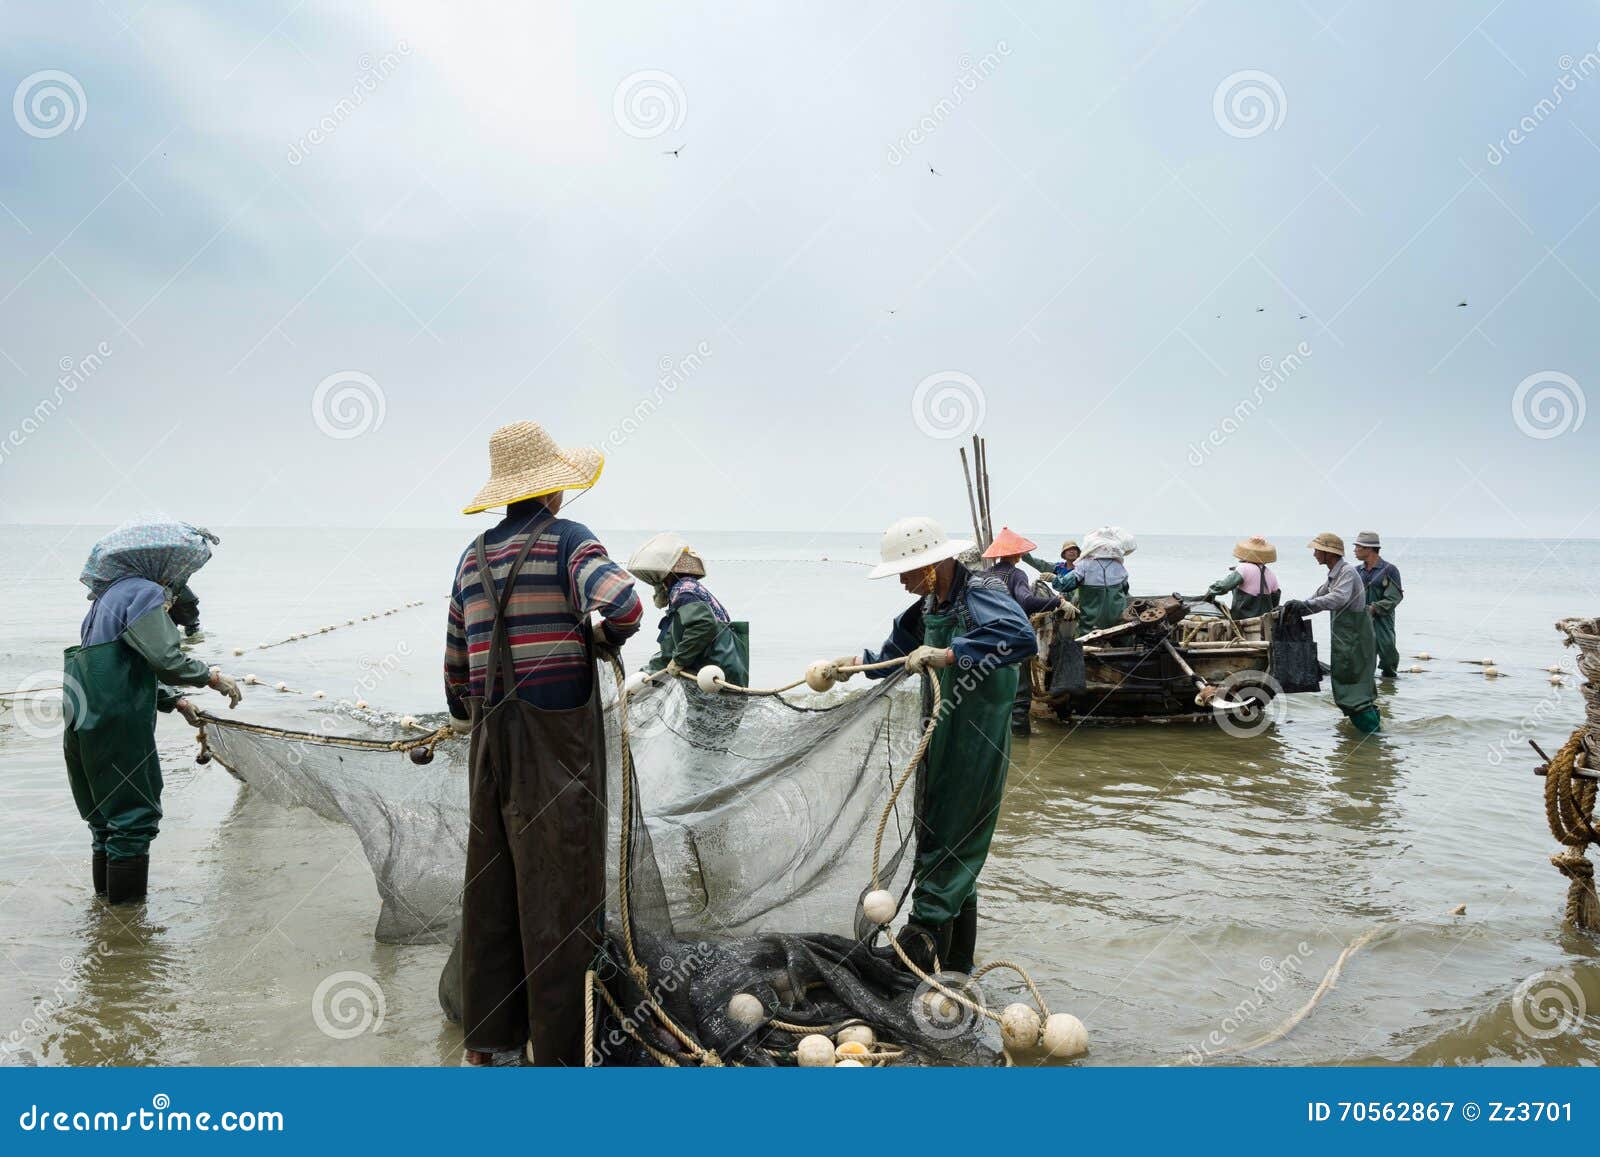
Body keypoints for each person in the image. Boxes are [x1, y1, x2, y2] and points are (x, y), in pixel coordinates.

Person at [444, 421, 644, 1067]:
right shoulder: (568, 542)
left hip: (490, 751)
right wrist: (593, 633)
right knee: (559, 895)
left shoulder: (471, 557)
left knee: (494, 890)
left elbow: (454, 678)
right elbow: (627, 607)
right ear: (554, 490)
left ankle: (494, 1046)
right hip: (557, 752)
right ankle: (560, 1057)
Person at [826, 515, 1035, 976]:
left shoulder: (981, 593)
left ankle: (918, 954)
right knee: (941, 833)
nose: (900, 581)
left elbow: (1021, 638)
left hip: (976, 734)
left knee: (957, 832)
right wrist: (853, 665)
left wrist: (947, 655)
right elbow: (893, 657)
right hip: (940, 730)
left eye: (904, 571)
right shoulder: (927, 606)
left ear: (930, 566)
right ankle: (956, 966)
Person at [65, 522, 243, 904]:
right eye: (183, 567)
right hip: (118, 719)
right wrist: (211, 677)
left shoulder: (107, 597)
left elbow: (116, 659)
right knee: (133, 818)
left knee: (104, 818)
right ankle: (129, 931)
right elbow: (165, 659)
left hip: (82, 717)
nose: (183, 575)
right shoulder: (145, 591)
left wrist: (175, 702)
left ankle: (105, 915)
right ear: (163, 560)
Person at [1283, 532, 1380, 734]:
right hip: (1347, 640)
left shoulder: (1346, 573)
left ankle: (1373, 738)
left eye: (1317, 550)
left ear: (1329, 553)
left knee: (1353, 691)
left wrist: (1306, 604)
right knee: (1351, 687)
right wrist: (1297, 608)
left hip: (1355, 640)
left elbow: (1338, 598)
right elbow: (1318, 598)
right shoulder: (1334, 575)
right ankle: (1372, 737)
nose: (1314, 554)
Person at [628, 532, 749, 685]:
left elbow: (704, 625)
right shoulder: (689, 588)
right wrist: (648, 674)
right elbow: (676, 644)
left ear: (665, 578)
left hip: (715, 677)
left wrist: (679, 660)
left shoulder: (684, 593)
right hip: (722, 672)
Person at [982, 527, 1067, 736]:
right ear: (1018, 555)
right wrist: (1058, 601)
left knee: (993, 693)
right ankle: (1020, 740)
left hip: (986, 639)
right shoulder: (1016, 574)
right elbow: (1027, 602)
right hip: (1012, 639)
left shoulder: (985, 575)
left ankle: (993, 737)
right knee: (1020, 694)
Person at [1055, 526, 1134, 633]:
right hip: (1118, 623)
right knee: (1122, 637)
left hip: (1091, 624)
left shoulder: (1083, 565)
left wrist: (1054, 578)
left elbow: (1063, 585)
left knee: (1083, 640)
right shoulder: (1119, 566)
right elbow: (1125, 590)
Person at [1353, 531, 1403, 678]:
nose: (1355, 550)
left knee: (1388, 656)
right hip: (1361, 620)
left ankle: (1388, 688)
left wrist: (1374, 608)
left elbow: (1395, 596)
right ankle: (1368, 690)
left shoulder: (1389, 570)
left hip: (1383, 620)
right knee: (1364, 658)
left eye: (1358, 547)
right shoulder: (1356, 571)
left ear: (1369, 549)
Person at [1205, 535, 1281, 620]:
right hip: (1264, 620)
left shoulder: (1243, 568)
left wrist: (1208, 594)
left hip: (1242, 617)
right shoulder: (1271, 574)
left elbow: (1222, 587)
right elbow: (1275, 602)